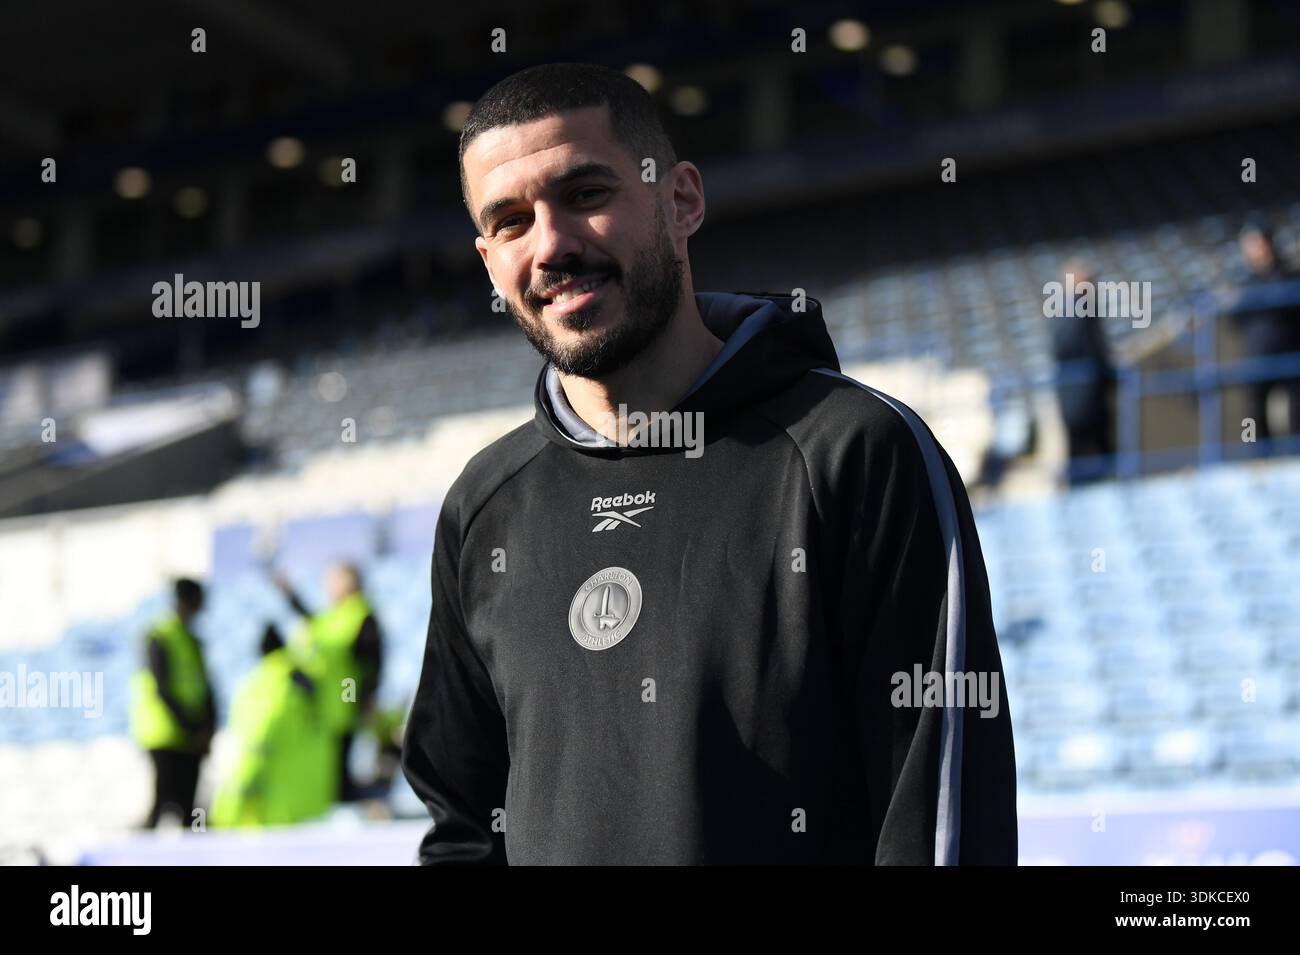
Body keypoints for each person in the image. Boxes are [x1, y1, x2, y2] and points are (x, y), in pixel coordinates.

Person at [401, 63, 1016, 865]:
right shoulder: (483, 506)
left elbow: (939, 823)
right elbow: (463, 831)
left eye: (586, 194)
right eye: (511, 221)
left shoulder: (857, 452)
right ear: (489, 261)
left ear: (680, 200)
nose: (551, 244)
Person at [210, 624, 338, 828]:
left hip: (274, 809)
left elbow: (256, 744)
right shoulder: (313, 682)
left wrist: (229, 807)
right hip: (314, 804)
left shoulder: (265, 683)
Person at [275, 563, 382, 802]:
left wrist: (364, 699)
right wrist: (290, 595)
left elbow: (371, 662)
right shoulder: (335, 616)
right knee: (327, 767)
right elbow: (313, 621)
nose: (328, 587)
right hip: (327, 706)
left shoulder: (360, 615)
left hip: (346, 702)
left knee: (339, 767)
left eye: (334, 580)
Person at [130, 578, 216, 829]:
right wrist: (192, 728)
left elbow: (205, 688)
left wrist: (208, 728)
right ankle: (141, 857)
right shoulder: (159, 635)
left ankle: (193, 855)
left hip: (191, 738)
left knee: (192, 810)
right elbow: (162, 688)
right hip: (165, 735)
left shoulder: (193, 641)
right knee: (164, 803)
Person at [1231, 218, 1300, 445]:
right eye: (1249, 245)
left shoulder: (1289, 276)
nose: (1255, 250)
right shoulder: (1245, 283)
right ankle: (1257, 457)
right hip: (1258, 359)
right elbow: (1235, 319)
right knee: (1253, 413)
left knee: (1296, 408)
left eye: (1258, 243)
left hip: (1291, 356)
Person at [1049, 260, 1116, 483]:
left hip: (1083, 394)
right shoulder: (1073, 308)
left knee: (1094, 453)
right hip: (1082, 395)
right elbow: (1069, 347)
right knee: (1087, 454)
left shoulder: (1070, 307)